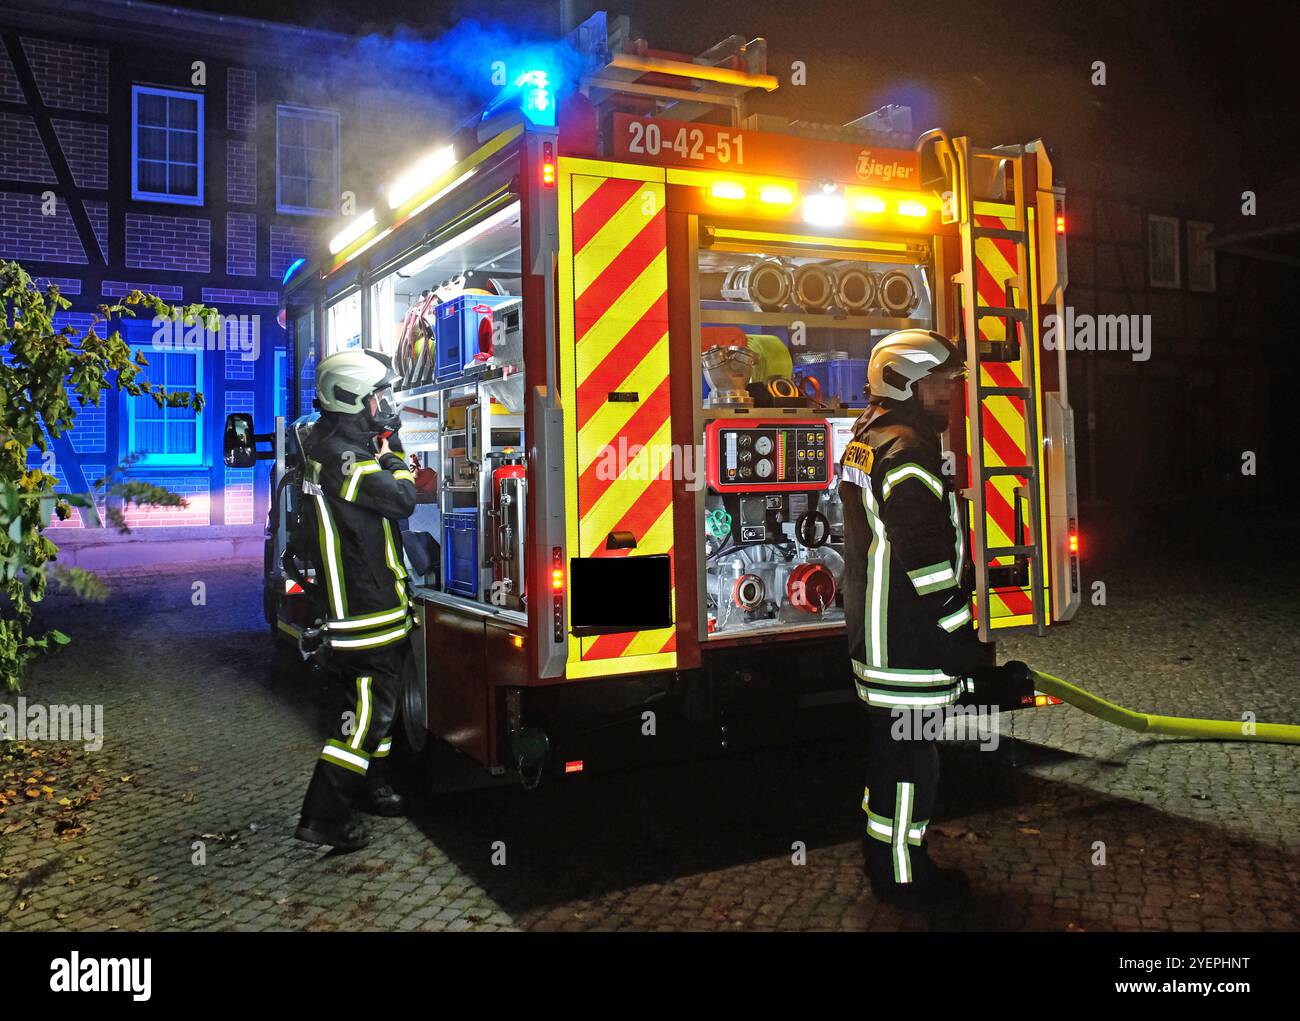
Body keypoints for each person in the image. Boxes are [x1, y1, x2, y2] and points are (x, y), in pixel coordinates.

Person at [837, 329, 986, 905]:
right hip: (907, 642)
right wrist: (958, 635)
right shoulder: (907, 452)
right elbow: (925, 560)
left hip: (879, 637)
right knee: (910, 764)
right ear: (904, 382)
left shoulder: (870, 439)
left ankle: (883, 858)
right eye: (940, 384)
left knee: (888, 756)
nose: (949, 394)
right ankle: (905, 877)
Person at [295, 348, 418, 852]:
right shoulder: (339, 455)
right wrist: (396, 457)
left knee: (380, 710)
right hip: (364, 613)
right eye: (377, 396)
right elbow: (401, 499)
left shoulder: (331, 444)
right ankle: (322, 817)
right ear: (351, 399)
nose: (384, 404)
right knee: (364, 716)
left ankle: (371, 785)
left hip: (372, 606)